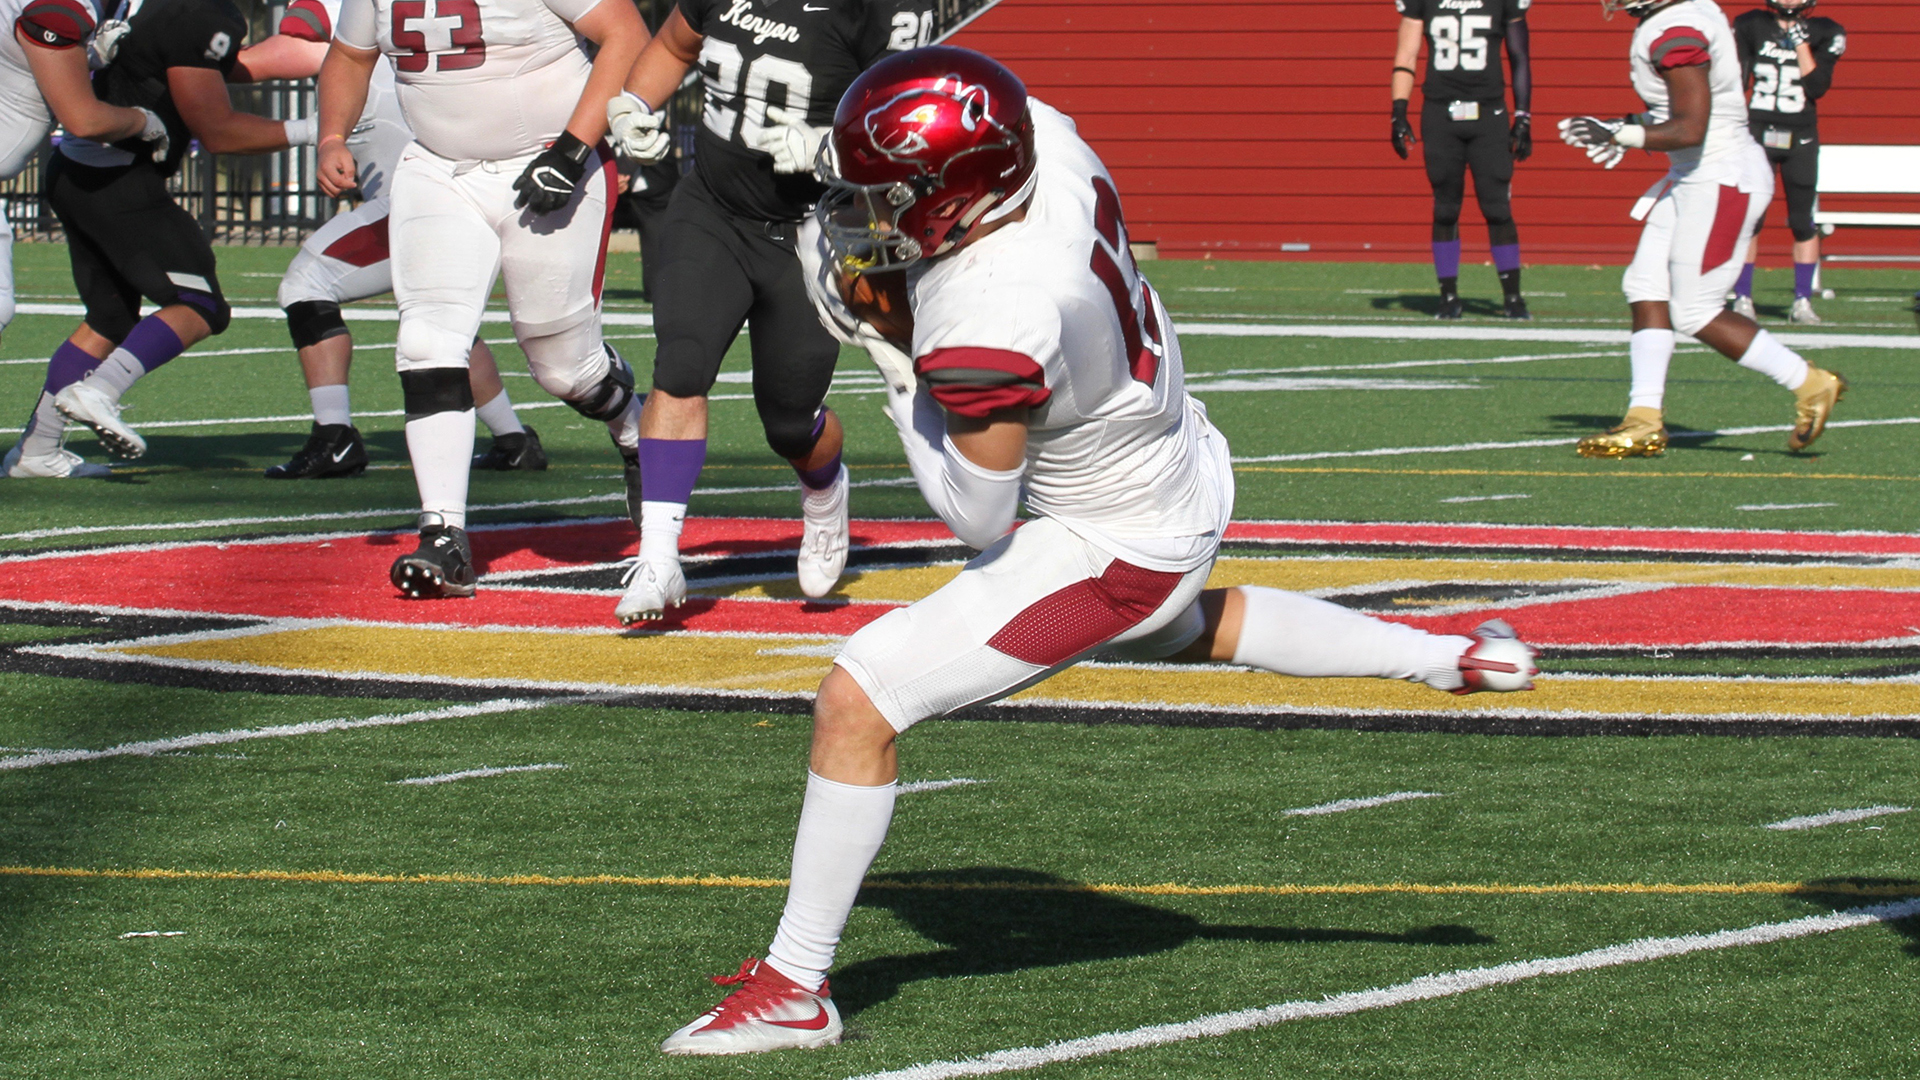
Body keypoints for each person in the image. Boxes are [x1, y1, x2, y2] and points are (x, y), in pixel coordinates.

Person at [657, 46, 1541, 1057]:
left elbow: (977, 516)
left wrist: (897, 361)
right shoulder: (1043, 136)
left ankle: (794, 988)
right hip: (1174, 458)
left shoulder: (989, 313)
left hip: (1110, 539)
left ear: (959, 192)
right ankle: (1453, 658)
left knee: (860, 699)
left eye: (892, 196)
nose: (873, 215)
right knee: (1186, 626)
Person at [602, 0, 936, 623]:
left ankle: (824, 492)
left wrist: (831, 148)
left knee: (788, 420)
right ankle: (658, 558)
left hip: (815, 228)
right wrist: (634, 104)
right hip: (713, 210)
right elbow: (673, 45)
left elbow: (911, 122)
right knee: (681, 364)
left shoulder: (877, 10)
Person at [319, 0, 649, 597]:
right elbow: (349, 54)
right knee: (427, 340)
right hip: (438, 168)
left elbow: (625, 34)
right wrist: (330, 136)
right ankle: (443, 536)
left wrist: (572, 150)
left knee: (564, 369)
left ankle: (633, 426)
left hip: (550, 159)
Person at [231, 1, 543, 480]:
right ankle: (514, 440)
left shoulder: (340, 10)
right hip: (455, 188)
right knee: (438, 319)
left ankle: (334, 436)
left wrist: (181, 57)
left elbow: (290, 53)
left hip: (417, 197)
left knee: (306, 284)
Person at [10, 0, 312, 476]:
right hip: (119, 180)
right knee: (201, 305)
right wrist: (314, 130)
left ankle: (37, 450)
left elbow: (225, 63)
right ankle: (100, 390)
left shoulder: (165, 10)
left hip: (77, 172)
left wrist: (349, 58)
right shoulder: (198, 13)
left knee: (110, 317)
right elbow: (218, 131)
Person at [1558, 0, 1845, 458]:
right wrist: (1622, 126)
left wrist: (1620, 135)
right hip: (1697, 175)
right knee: (1645, 285)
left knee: (1695, 310)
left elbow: (1691, 128)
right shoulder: (1685, 14)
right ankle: (1644, 419)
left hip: (1719, 178)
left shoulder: (1677, 27)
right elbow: (1681, 112)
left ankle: (1809, 383)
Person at [1, 0, 167, 477]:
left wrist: (92, 56)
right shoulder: (57, 7)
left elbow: (30, 66)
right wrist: (144, 122)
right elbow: (83, 119)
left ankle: (37, 454)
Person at [1390, 0, 1533, 320]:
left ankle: (1513, 298)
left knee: (1497, 207)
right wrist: (1398, 109)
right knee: (1445, 208)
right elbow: (1406, 54)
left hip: (1489, 112)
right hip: (1440, 112)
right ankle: (1448, 296)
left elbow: (1519, 56)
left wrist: (1523, 115)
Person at [1729, 0, 1844, 324]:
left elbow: (1817, 87)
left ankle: (1802, 301)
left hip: (1800, 134)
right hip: (1757, 131)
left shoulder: (1825, 30)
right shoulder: (1752, 24)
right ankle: (1742, 298)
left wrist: (1800, 42)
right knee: (1750, 218)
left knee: (1801, 220)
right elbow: (1737, 78)